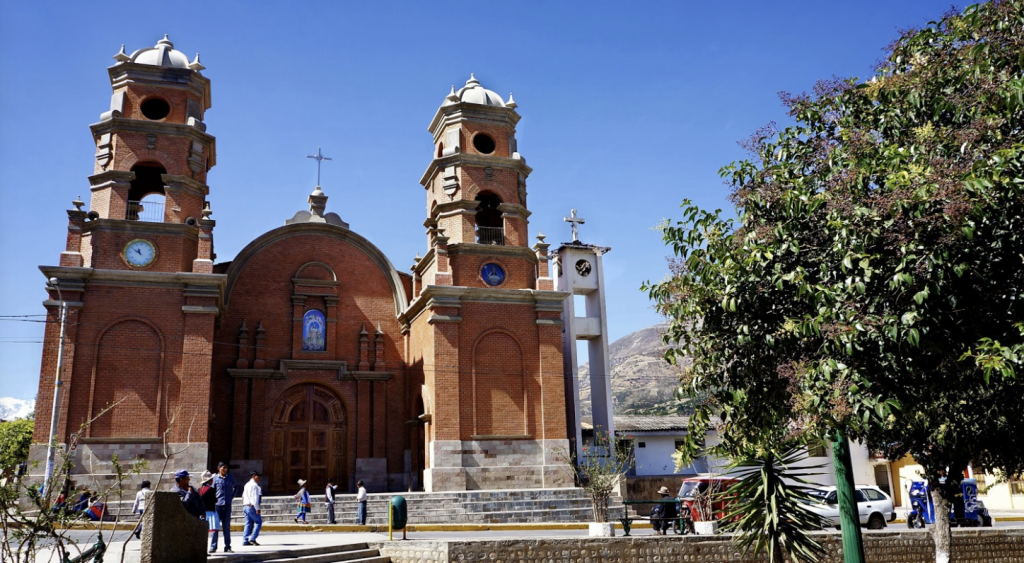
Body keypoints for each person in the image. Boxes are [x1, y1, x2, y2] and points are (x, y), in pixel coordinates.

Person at [210, 462, 237, 554]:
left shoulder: (230, 477)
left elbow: (236, 486)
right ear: (218, 468)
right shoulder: (214, 478)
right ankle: (213, 547)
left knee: (226, 527)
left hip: (227, 505)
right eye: (223, 468)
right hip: (217, 506)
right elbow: (211, 490)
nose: (225, 469)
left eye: (226, 468)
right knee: (215, 527)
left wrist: (233, 495)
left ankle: (228, 546)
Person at [241, 471, 263, 547]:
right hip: (251, 506)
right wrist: (257, 508)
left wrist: (243, 505)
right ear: (254, 476)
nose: (259, 478)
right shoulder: (254, 485)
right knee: (258, 522)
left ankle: (245, 540)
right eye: (258, 477)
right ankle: (253, 538)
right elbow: (255, 498)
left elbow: (243, 496)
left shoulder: (247, 484)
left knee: (248, 523)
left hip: (245, 505)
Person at [197, 471, 219, 541]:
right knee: (213, 530)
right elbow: (214, 500)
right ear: (209, 481)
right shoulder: (211, 490)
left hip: (202, 513)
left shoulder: (199, 490)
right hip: (210, 512)